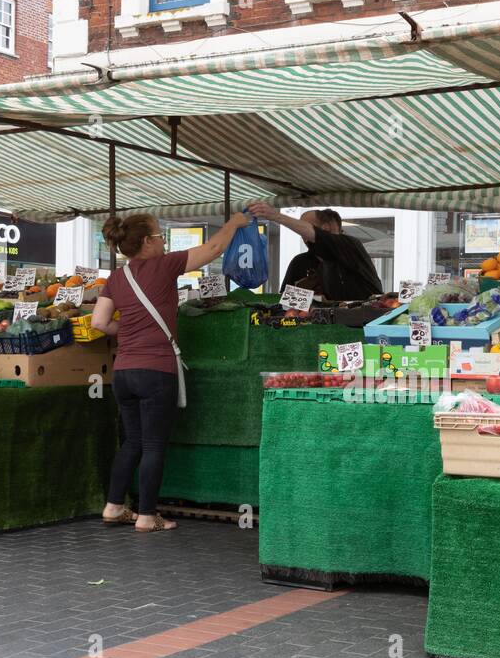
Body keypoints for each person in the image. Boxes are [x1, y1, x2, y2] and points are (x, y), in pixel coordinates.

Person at [91, 211, 248, 532]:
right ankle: (147, 516)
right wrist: (233, 224)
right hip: (155, 370)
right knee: (152, 446)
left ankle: (113, 506)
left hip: (123, 372)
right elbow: (213, 249)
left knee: (132, 442)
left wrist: (131, 328)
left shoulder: (116, 278)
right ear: (148, 242)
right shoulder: (164, 266)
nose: (164, 240)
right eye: (160, 235)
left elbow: (99, 323)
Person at [248, 203, 382, 301]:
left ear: (325, 228)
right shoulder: (300, 262)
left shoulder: (350, 246)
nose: (303, 236)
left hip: (360, 324)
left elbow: (314, 234)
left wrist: (275, 216)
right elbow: (286, 298)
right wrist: (313, 300)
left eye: (303, 229)